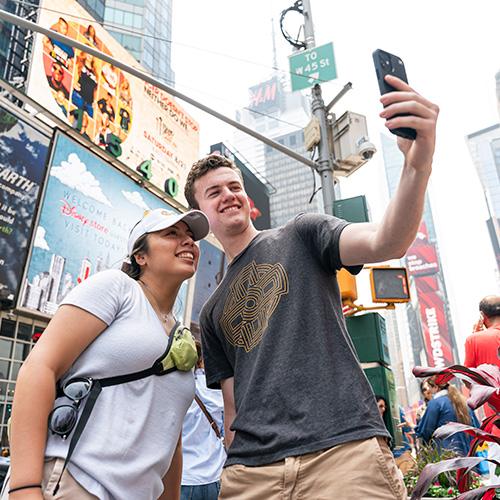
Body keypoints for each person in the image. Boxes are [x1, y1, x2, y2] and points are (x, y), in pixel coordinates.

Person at [184, 74, 438, 499]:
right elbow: (232, 409)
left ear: (249, 200)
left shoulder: (302, 233)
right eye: (214, 192)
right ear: (200, 215)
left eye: (235, 187)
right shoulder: (210, 312)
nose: (228, 194)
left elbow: (386, 240)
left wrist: (418, 164)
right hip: (253, 475)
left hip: (343, 454)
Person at [2, 209, 210, 499]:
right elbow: (40, 367)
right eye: (172, 234)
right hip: (73, 483)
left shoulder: (180, 334)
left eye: (190, 235)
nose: (188, 241)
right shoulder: (117, 288)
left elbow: (170, 437)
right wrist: (24, 488)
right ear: (141, 256)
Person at [181, 342, 226, 500]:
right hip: (216, 475)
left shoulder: (174, 390)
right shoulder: (216, 390)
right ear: (200, 361)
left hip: (184, 477)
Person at [464, 294, 500, 484]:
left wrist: (475, 334)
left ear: (482, 316)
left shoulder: (475, 340)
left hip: (497, 428)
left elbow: (469, 381)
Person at [415, 378, 479, 456]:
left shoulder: (435, 404)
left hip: (448, 458)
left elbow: (425, 431)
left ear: (435, 387)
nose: (429, 392)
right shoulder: (464, 402)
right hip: (470, 456)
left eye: (429, 387)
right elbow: (477, 429)